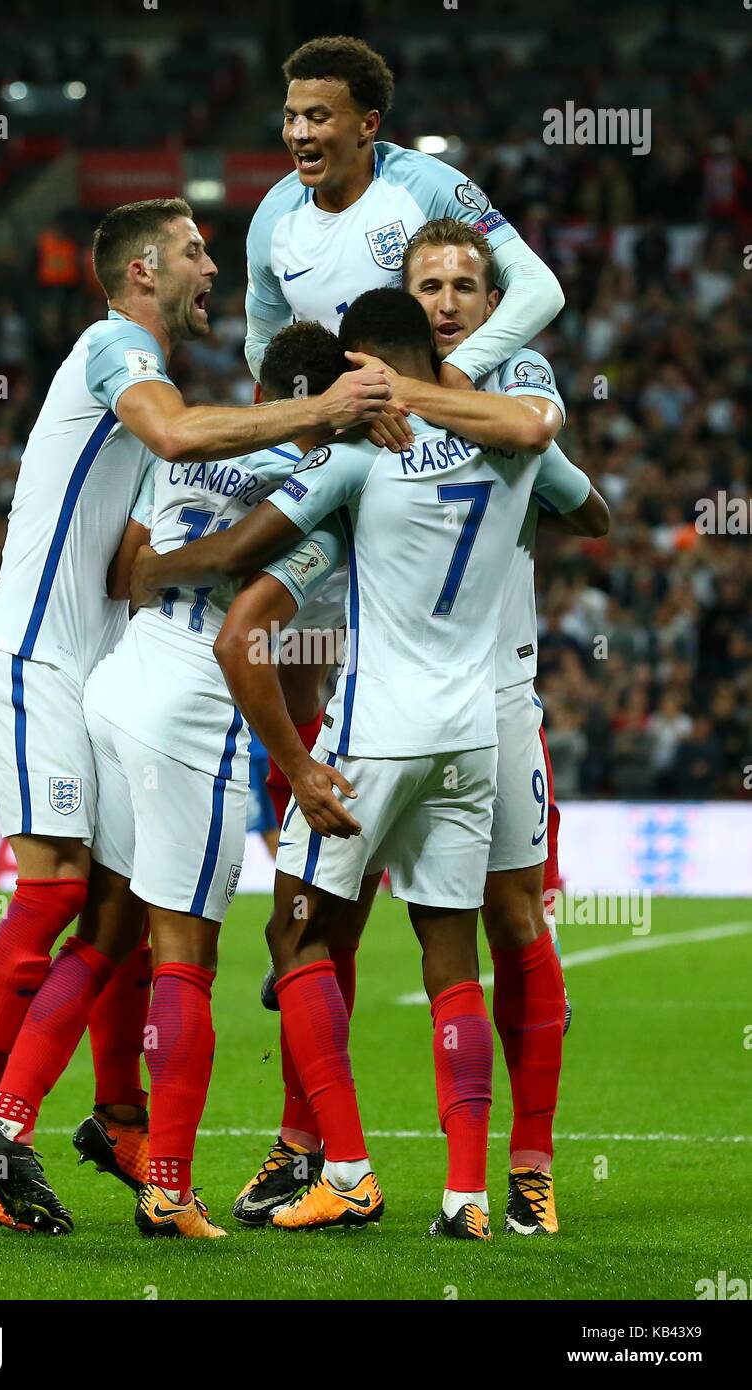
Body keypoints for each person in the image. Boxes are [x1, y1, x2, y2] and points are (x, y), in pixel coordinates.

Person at [0, 197, 392, 1234]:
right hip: (57, 661)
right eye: (195, 253)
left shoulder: (183, 440)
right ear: (142, 269)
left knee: (117, 922)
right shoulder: (120, 353)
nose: (211, 270)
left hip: (111, 669)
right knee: (117, 918)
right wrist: (330, 420)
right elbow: (218, 563)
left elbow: (130, 564)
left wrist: (184, 567)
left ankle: (106, 1115)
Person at [132, 286, 569, 1237]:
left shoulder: (354, 459)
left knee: (296, 941)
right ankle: (466, 1199)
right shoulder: (514, 441)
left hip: (371, 739)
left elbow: (242, 571)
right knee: (453, 958)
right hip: (471, 737)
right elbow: (593, 507)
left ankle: (350, 1169)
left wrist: (150, 572)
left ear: (366, 369)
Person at [244, 34, 567, 907]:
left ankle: (526, 883)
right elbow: (261, 343)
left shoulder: (421, 186)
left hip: (445, 452)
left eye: (318, 115)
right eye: (290, 116)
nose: (300, 132)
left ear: (367, 123)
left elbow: (537, 288)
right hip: (345, 457)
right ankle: (304, 895)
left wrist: (452, 378)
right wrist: (306, 423)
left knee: (486, 658)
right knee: (280, 649)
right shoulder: (273, 217)